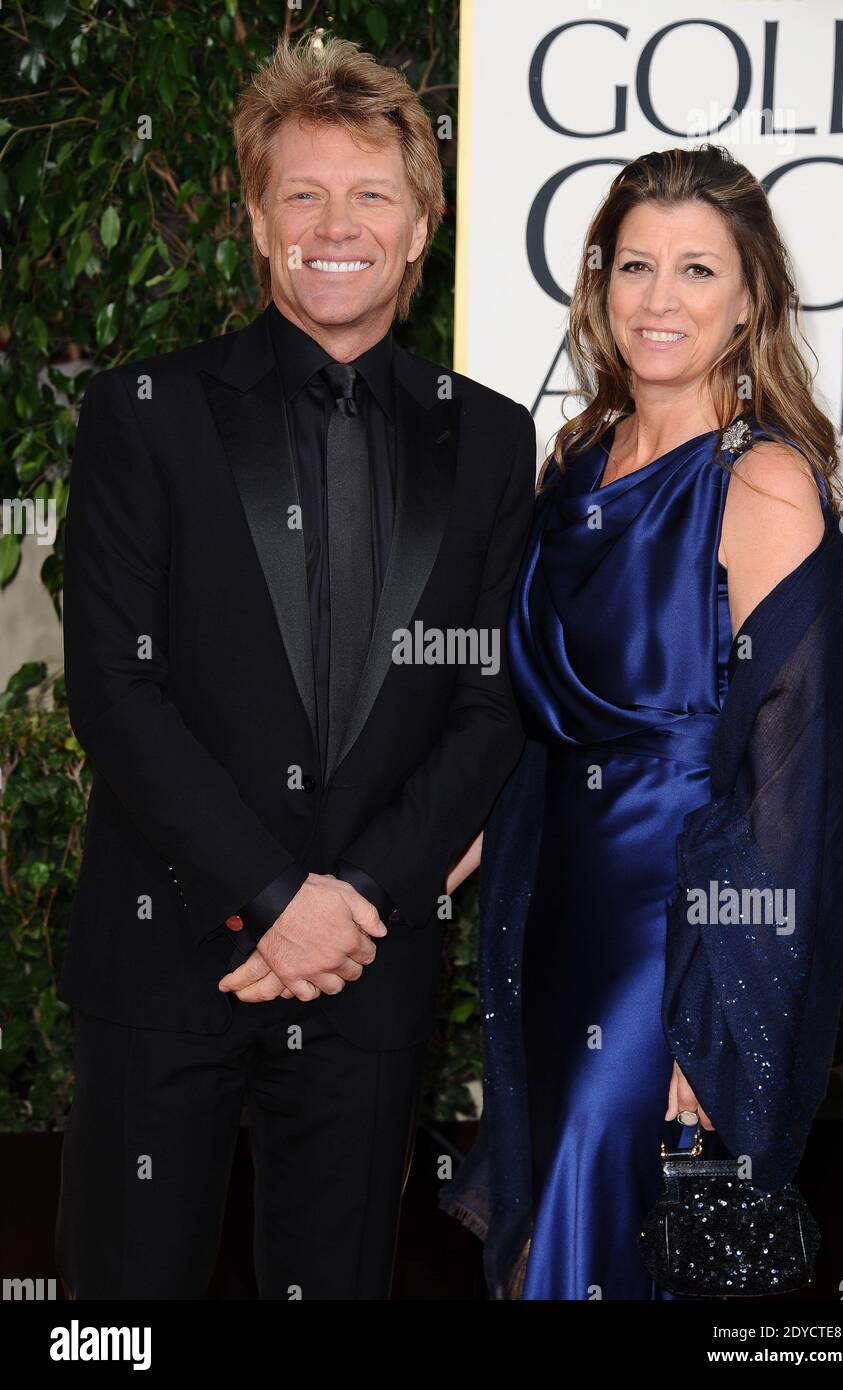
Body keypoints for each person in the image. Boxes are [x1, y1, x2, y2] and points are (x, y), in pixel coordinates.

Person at [56, 33, 536, 1300]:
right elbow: (117, 690)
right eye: (303, 194)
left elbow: (487, 707)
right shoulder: (139, 412)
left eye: (372, 193)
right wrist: (275, 897)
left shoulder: (490, 437)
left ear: (420, 225)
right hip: (167, 955)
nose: (338, 223)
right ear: (258, 225)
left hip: (369, 968)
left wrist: (351, 901)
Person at [440, 144, 843, 1300]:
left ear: (748, 299)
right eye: (634, 266)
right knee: (556, 1213)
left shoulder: (760, 481)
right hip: (551, 905)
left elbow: (790, 787)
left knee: (602, 1209)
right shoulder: (574, 461)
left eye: (696, 271)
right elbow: (526, 714)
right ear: (597, 283)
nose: (658, 300)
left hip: (672, 931)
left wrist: (715, 1020)